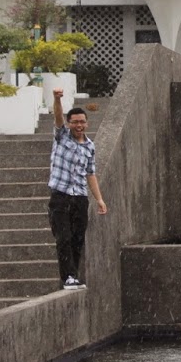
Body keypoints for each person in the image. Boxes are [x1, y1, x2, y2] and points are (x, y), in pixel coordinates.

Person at [47, 88, 107, 290]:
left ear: (87, 123)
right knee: (63, 237)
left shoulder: (90, 146)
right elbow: (57, 116)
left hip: (80, 197)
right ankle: (68, 277)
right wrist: (57, 99)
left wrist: (99, 199)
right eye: (75, 122)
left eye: (82, 122)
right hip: (61, 196)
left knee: (78, 238)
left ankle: (73, 275)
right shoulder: (62, 136)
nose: (79, 125)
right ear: (69, 123)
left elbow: (91, 173)